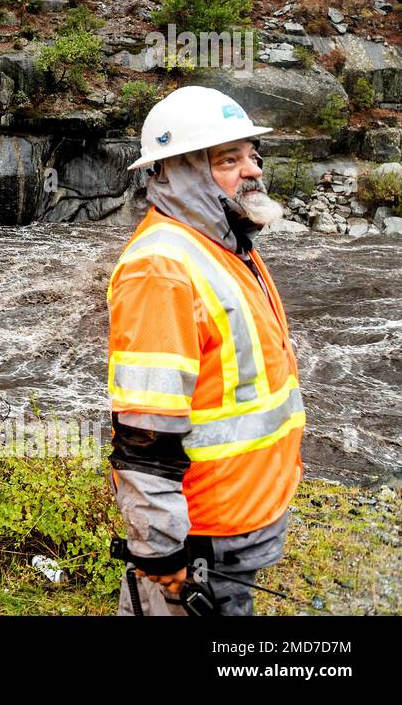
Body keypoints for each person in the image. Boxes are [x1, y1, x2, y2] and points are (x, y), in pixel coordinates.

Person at [106, 85, 305, 615]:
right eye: (228, 159)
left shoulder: (227, 244)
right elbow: (146, 433)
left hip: (241, 519)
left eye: (251, 155)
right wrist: (160, 552)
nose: (253, 170)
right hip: (202, 536)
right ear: (177, 171)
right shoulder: (162, 268)